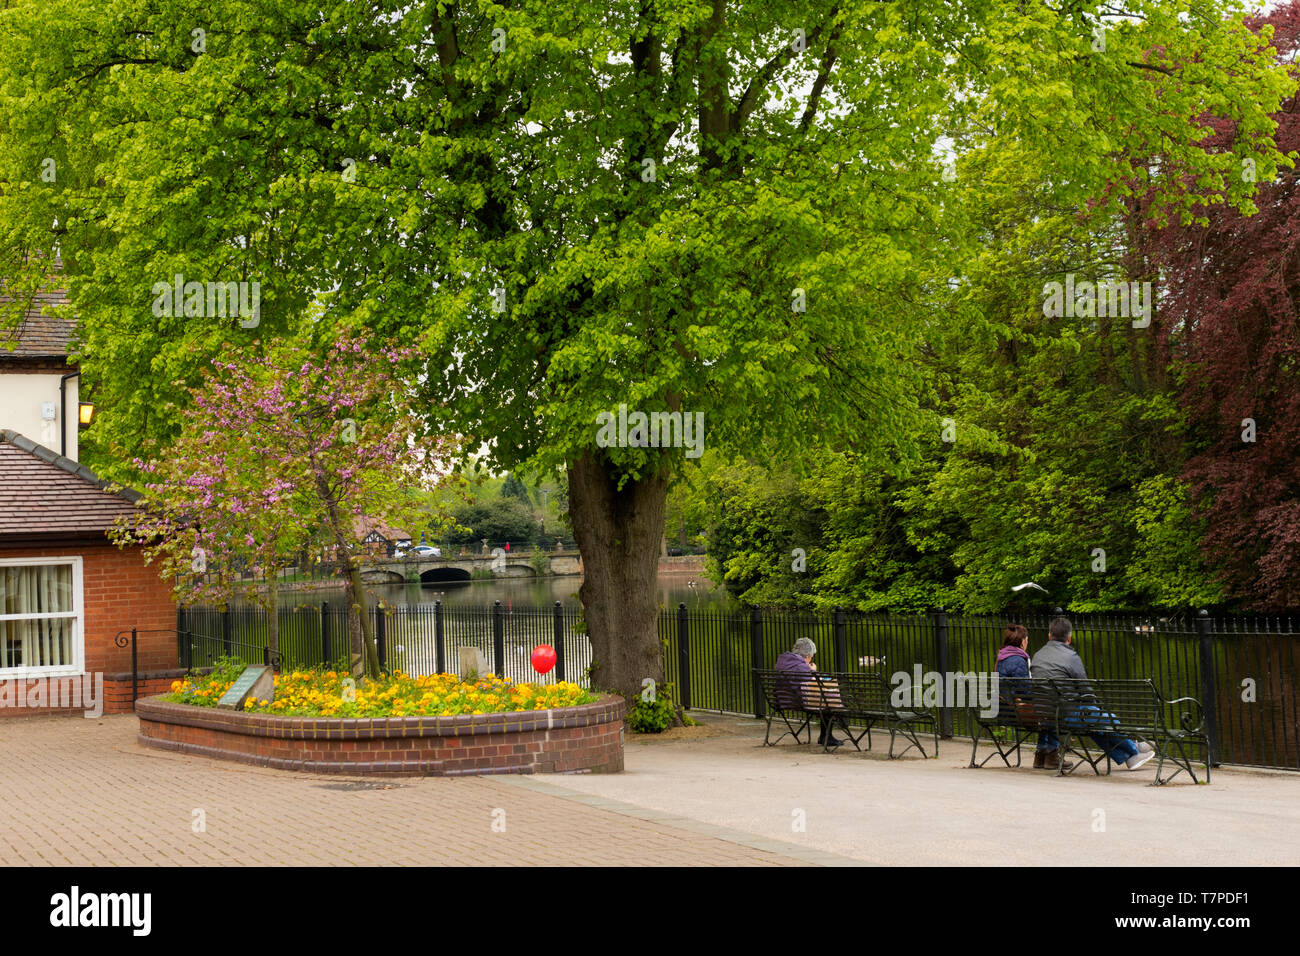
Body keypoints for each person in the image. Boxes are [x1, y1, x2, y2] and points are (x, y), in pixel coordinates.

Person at [1031, 616, 1155, 771]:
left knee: (1095, 722)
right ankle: (1133, 750)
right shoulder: (1071, 657)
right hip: (1066, 717)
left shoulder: (1037, 655)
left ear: (1049, 636)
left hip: (1045, 717)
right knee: (1101, 718)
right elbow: (1086, 691)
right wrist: (1097, 709)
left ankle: (1131, 755)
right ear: (1069, 638)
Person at [996, 623, 1068, 770]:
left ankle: (1042, 754)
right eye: (1027, 639)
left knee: (1045, 708)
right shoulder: (1017, 659)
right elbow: (1025, 692)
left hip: (1004, 710)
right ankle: (1051, 754)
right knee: (1054, 709)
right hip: (1017, 713)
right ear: (1023, 641)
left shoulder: (1002, 657)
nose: (1027, 642)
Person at [774, 637, 843, 748]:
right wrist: (813, 671)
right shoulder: (801, 667)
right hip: (797, 702)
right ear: (806, 656)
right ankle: (826, 737)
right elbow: (816, 684)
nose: (811, 659)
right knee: (828, 702)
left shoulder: (782, 662)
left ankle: (825, 737)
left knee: (823, 701)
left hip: (781, 700)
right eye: (811, 657)